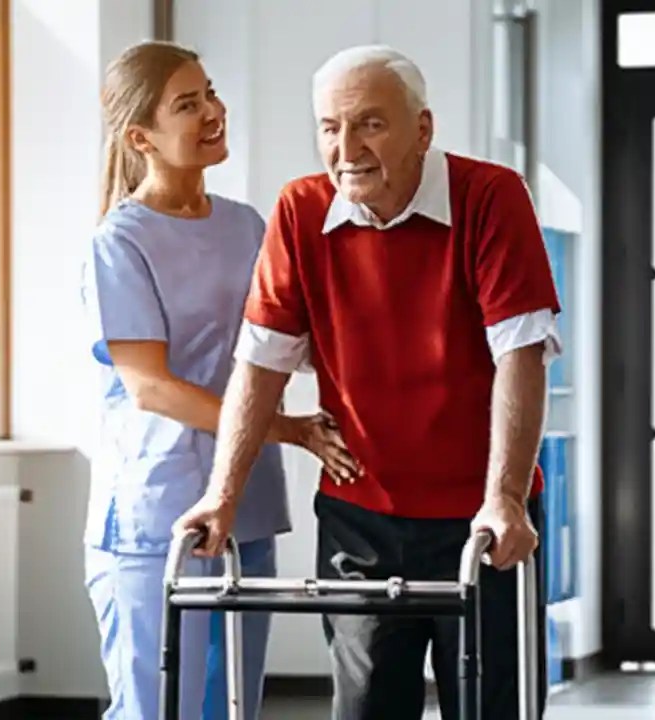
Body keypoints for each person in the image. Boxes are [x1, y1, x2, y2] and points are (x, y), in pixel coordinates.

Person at [175, 45, 560, 720]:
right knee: (366, 707)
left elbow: (520, 356)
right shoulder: (302, 210)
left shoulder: (490, 197)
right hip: (362, 522)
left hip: (482, 522)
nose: (346, 147)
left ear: (423, 129)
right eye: (330, 127)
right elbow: (260, 363)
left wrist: (504, 497)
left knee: (492, 704)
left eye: (370, 124)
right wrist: (221, 495)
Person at [80, 41, 358, 720]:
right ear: (140, 136)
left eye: (209, 93)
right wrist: (288, 430)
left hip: (243, 500)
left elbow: (290, 344)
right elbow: (151, 387)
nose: (212, 111)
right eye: (187, 104)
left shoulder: (247, 225)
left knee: (229, 705)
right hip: (158, 509)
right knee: (155, 709)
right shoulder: (121, 241)